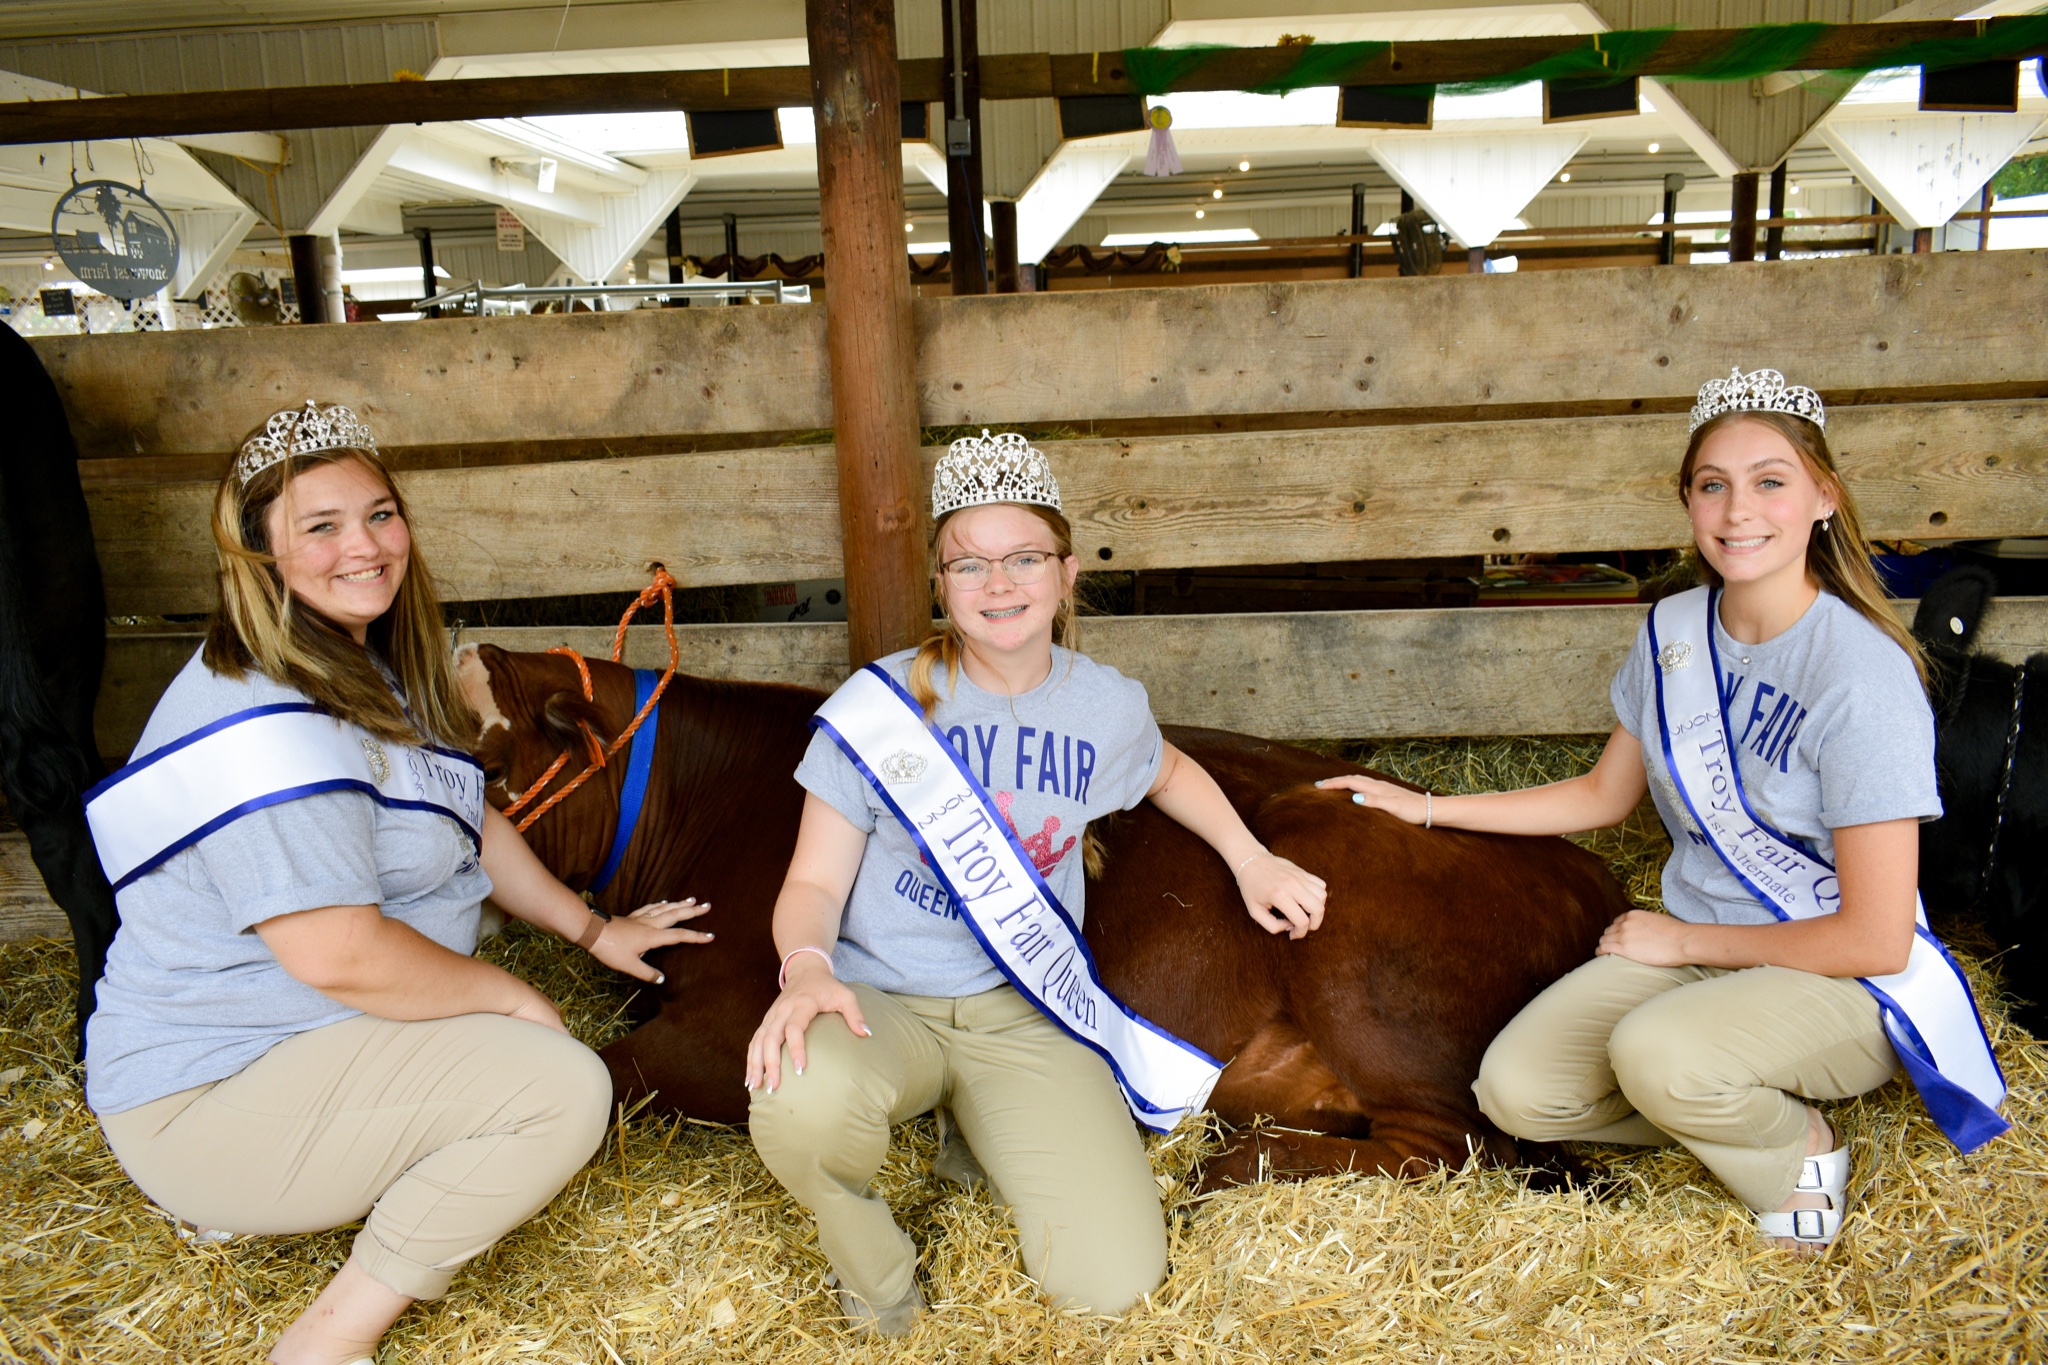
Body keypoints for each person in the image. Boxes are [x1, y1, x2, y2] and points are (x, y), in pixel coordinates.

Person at [1318, 366, 2006, 1254]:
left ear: (1823, 497)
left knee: (1655, 1052)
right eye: (1712, 485)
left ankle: (1799, 1148)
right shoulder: (1675, 635)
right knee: (1515, 1091)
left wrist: (1679, 941)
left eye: (1769, 481)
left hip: (1837, 980)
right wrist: (1428, 808)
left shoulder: (1862, 676)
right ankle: (1726, 1102)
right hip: (1699, 956)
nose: (1737, 511)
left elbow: (1875, 938)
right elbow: (1600, 795)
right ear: (1687, 502)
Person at [82, 401, 713, 1365]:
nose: (364, 546)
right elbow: (340, 952)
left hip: (312, 1039)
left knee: (527, 1057)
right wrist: (518, 999)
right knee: (562, 1090)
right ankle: (326, 1339)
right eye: (320, 526)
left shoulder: (368, 662)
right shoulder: (262, 707)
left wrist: (594, 931)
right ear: (259, 555)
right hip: (214, 1087)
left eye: (380, 514)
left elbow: (468, 815)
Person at [744, 430, 1329, 1333]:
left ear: (1065, 573)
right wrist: (808, 967)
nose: (998, 584)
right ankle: (878, 1277)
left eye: (1022, 558)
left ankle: (975, 1129)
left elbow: (1169, 772)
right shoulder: (880, 707)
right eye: (968, 565)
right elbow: (813, 883)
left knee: (1113, 1283)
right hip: (879, 1003)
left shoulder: (1103, 705)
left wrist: (1251, 857)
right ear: (940, 585)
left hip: (1025, 1007)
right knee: (795, 1096)